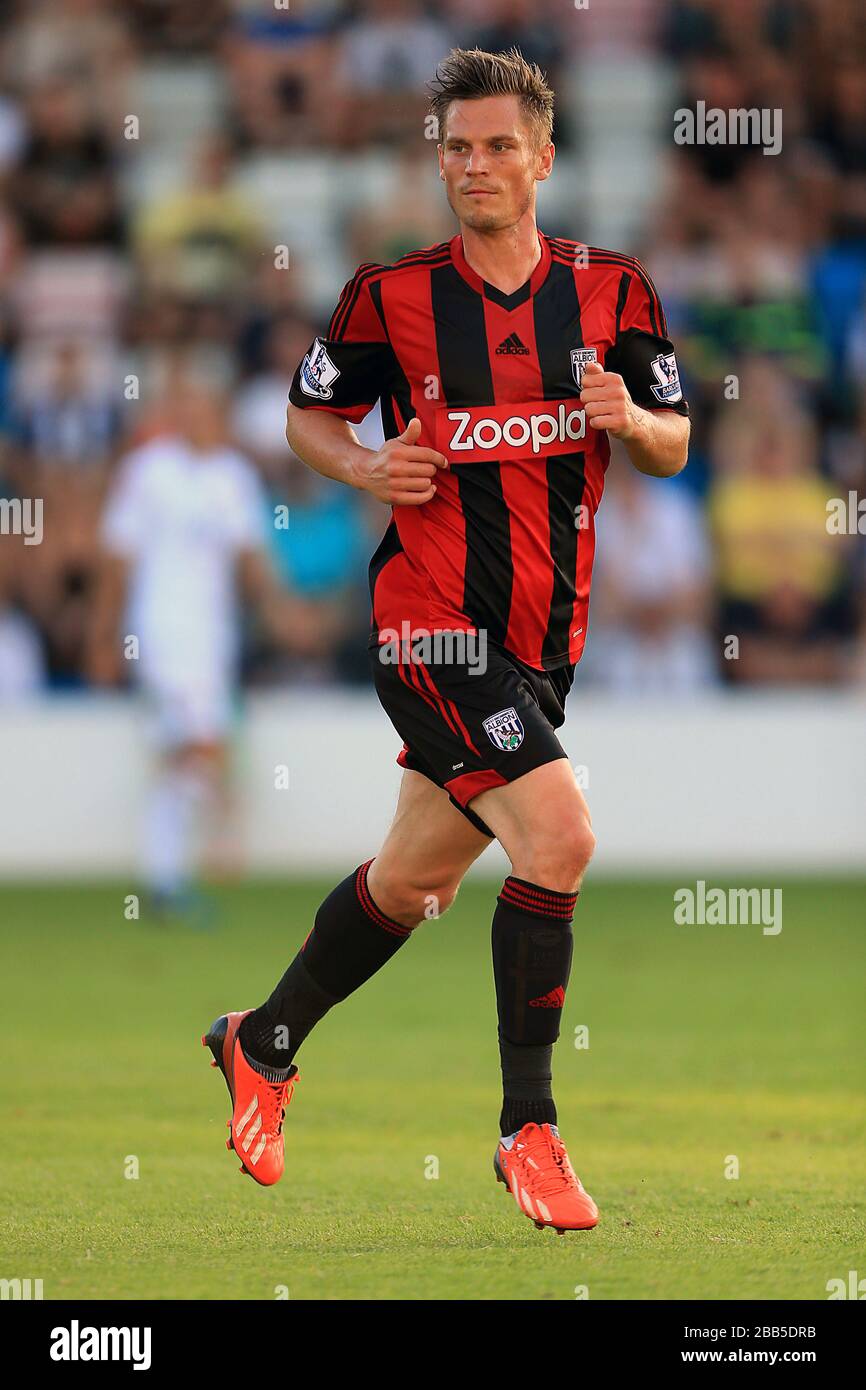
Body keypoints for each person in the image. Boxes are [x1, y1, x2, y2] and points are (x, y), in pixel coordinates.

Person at [202, 48, 690, 1234]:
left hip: (540, 644)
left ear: (542, 158)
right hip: (427, 624)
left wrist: (633, 420)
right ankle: (528, 1127)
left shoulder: (612, 291)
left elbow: (673, 441)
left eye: (496, 147)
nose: (473, 166)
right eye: (455, 148)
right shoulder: (390, 296)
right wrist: (368, 462)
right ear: (438, 158)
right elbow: (305, 417)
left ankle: (259, 1041)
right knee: (560, 831)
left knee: (413, 879)